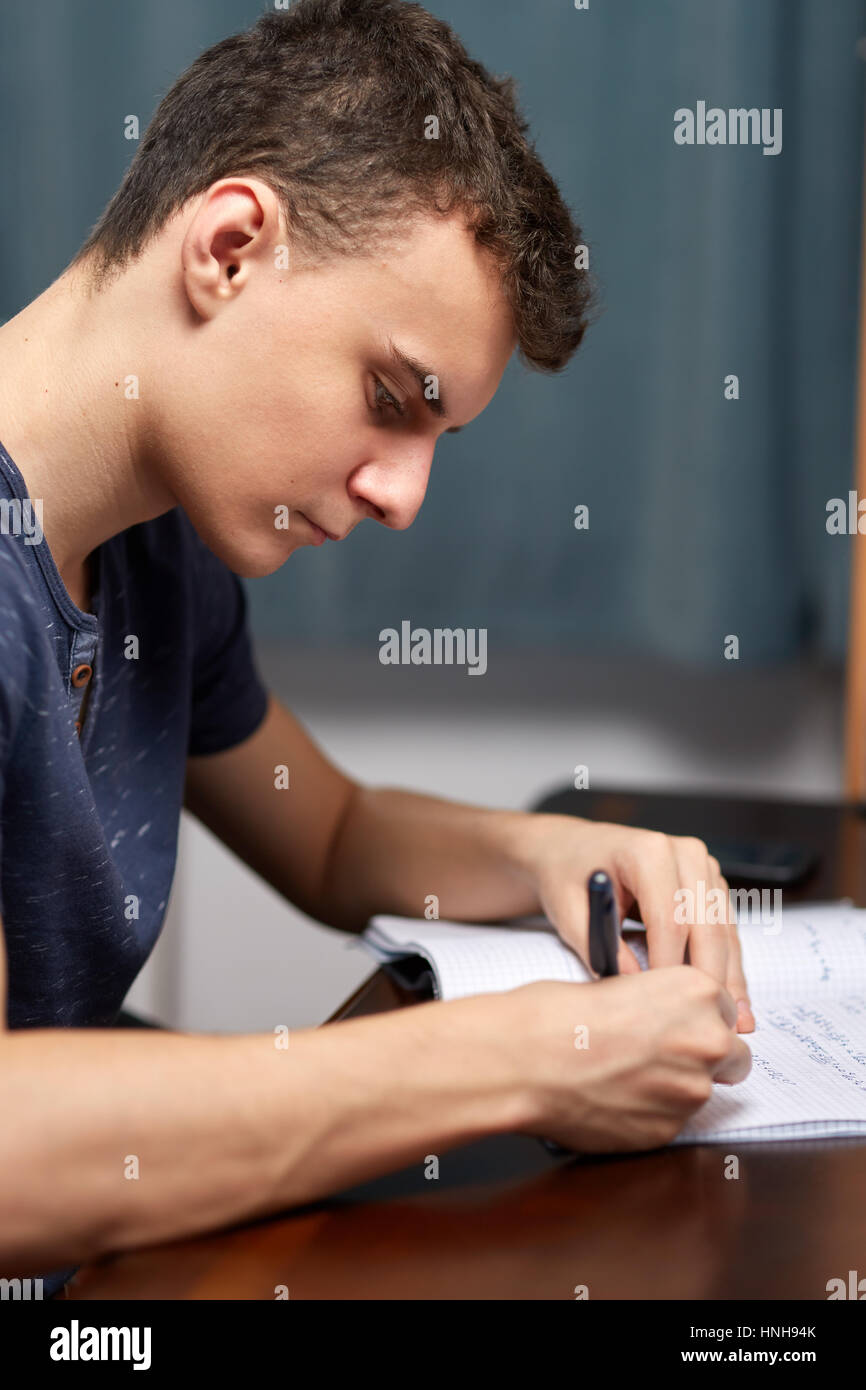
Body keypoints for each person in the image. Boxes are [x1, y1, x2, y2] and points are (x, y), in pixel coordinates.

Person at [0, 0, 752, 1294]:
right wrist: (518, 1060)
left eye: (435, 439)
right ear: (230, 247)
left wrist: (552, 852)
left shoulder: (153, 548)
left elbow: (331, 834)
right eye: (391, 398)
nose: (403, 497)